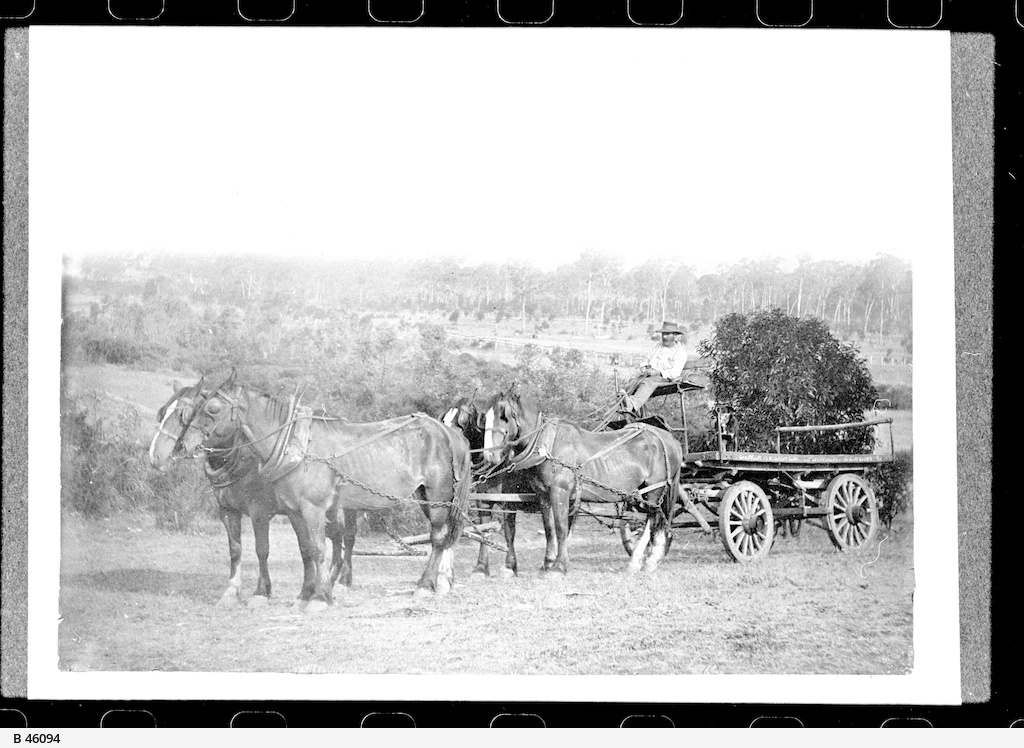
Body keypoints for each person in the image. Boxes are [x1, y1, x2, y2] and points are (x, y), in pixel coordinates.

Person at [620, 321, 689, 415]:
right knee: (633, 381)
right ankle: (624, 403)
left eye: (668, 334)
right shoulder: (658, 347)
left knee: (647, 382)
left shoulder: (680, 352)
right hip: (649, 375)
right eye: (663, 334)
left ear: (675, 336)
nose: (664, 337)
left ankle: (632, 404)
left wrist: (658, 372)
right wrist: (644, 367)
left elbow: (675, 373)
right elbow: (646, 360)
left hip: (665, 379)